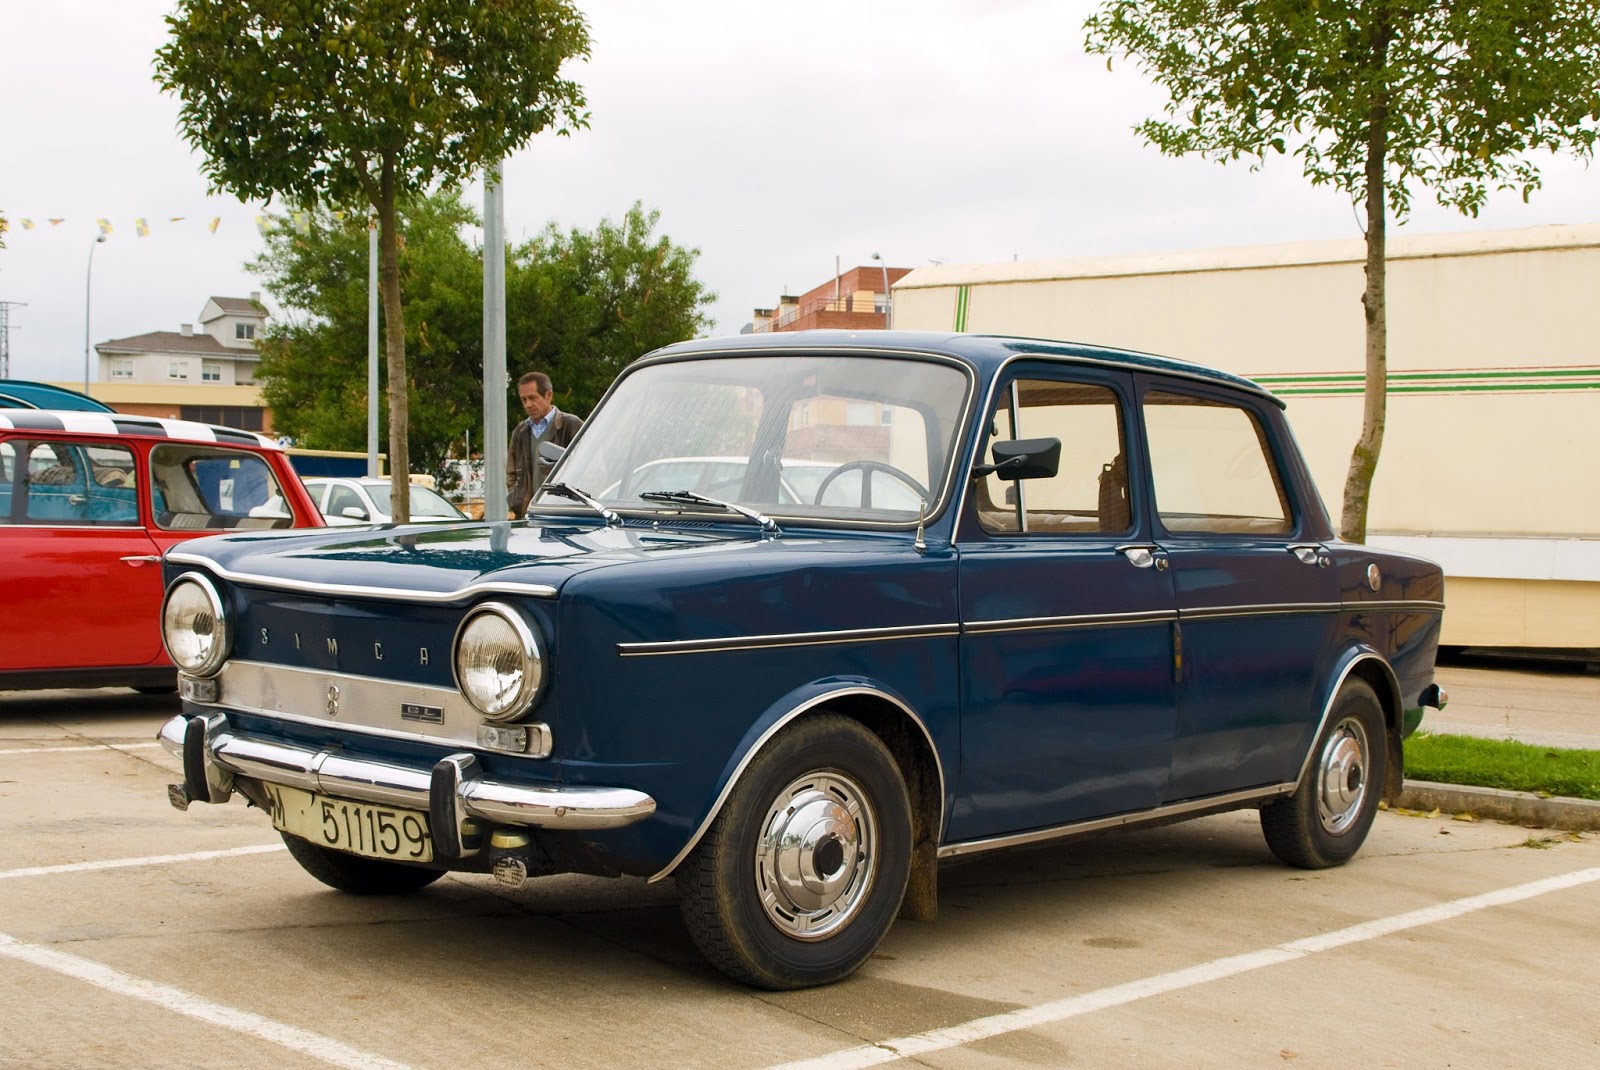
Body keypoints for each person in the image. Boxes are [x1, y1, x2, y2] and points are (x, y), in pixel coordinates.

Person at [506, 370, 583, 517]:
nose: (528, 404)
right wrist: (516, 499)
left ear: (549, 395)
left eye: (533, 398)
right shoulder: (520, 432)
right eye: (524, 400)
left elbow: (594, 471)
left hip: (563, 516)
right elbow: (511, 473)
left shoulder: (572, 425)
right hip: (528, 515)